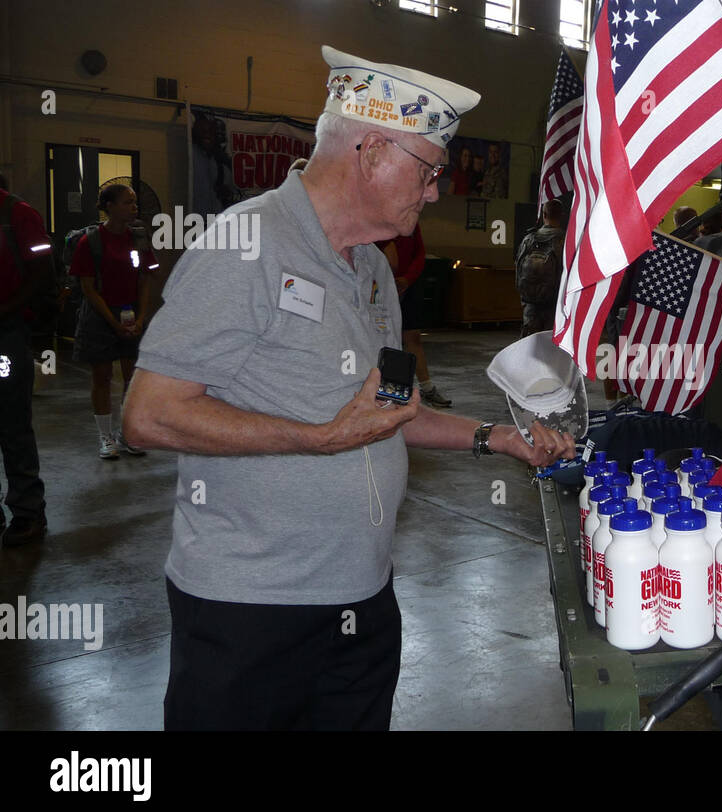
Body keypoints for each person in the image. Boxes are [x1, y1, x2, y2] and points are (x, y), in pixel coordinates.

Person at [124, 45, 576, 731]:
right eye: (428, 171)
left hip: (363, 602)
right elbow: (149, 415)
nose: (434, 192)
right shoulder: (245, 244)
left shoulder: (369, 267)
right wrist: (318, 438)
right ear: (370, 152)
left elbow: (386, 413)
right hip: (252, 613)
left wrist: (498, 438)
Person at [70, 184, 159, 459]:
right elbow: (88, 288)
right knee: (102, 377)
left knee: (132, 378)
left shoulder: (140, 238)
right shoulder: (91, 242)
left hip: (131, 313)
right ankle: (105, 436)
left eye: (134, 202)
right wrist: (112, 321)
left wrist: (141, 316)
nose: (133, 207)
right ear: (108, 206)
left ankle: (127, 434)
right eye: (126, 202)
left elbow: (146, 278)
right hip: (99, 316)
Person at [0, 174, 50, 548]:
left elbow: (40, 273)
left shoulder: (18, 214)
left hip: (6, 332)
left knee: (12, 422)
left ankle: (28, 513)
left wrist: (7, 311)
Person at [377, 224, 452, 407]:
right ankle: (390, 391)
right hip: (383, 286)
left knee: (413, 337)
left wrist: (407, 279)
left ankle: (426, 389)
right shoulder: (380, 223)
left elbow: (419, 254)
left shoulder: (412, 223)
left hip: (407, 286)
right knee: (388, 339)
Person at [515, 198, 566, 337]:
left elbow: (518, 270)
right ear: (561, 215)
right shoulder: (566, 241)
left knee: (529, 345)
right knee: (550, 346)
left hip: (530, 304)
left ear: (543, 215)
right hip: (554, 305)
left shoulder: (529, 239)